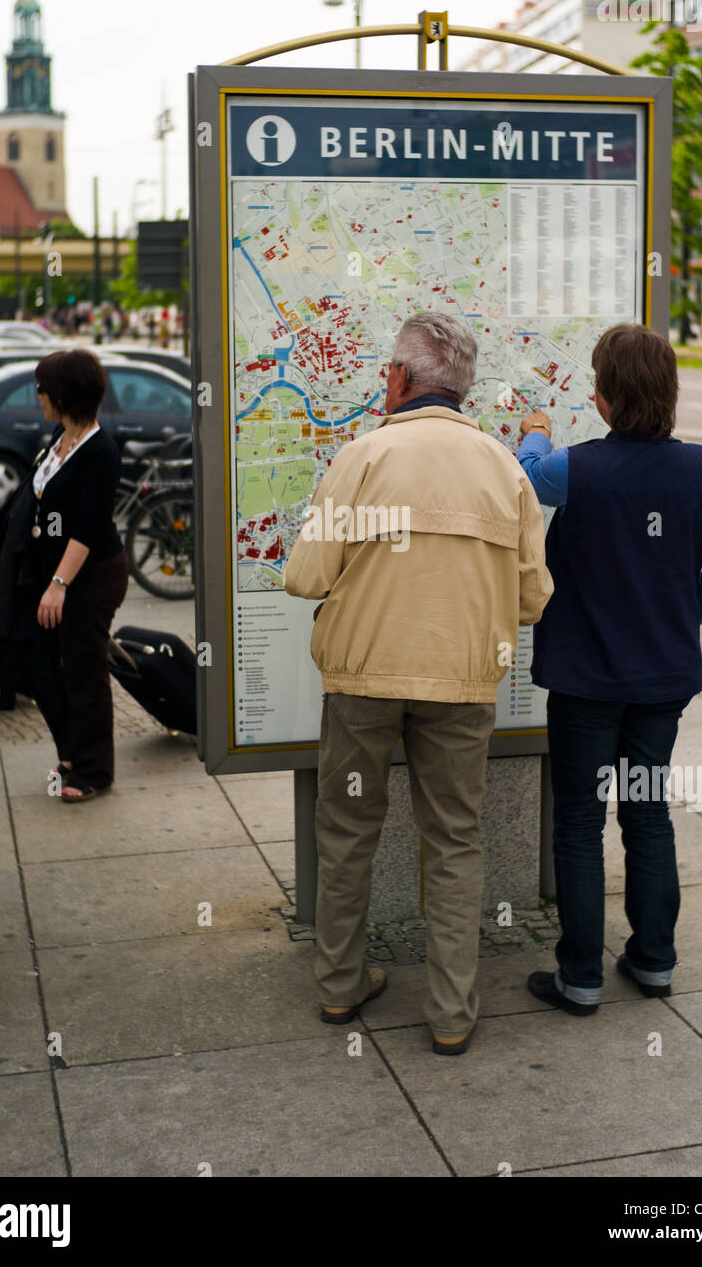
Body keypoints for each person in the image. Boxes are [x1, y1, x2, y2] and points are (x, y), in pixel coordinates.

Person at [284, 312, 553, 1055]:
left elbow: (304, 576)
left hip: (363, 680)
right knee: (457, 839)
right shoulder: (505, 468)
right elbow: (533, 599)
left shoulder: (363, 456)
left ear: (399, 379)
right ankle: (451, 1012)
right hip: (462, 684)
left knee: (345, 834)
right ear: (464, 386)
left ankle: (340, 988)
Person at [516, 323, 702, 1016]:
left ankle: (579, 976)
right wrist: (669, 625)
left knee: (580, 823)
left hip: (584, 685)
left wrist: (532, 430)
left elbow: (522, 480)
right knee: (648, 816)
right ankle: (652, 961)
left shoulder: (574, 467)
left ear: (606, 400)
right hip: (660, 687)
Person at [0, 350, 128, 802]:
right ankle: (71, 752)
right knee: (41, 667)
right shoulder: (59, 437)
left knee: (83, 668)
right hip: (46, 576)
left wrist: (59, 586)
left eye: (41, 389)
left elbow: (88, 528)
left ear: (63, 394)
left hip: (89, 575)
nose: (37, 396)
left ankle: (94, 770)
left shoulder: (100, 451)